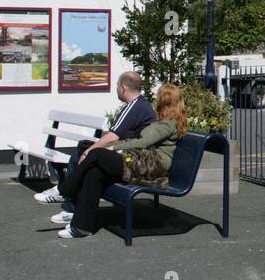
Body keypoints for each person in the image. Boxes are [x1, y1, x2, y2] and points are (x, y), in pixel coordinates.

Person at [52, 83, 187, 240]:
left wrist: (113, 148)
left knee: (97, 154)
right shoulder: (163, 121)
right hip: (140, 160)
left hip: (151, 165)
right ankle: (82, 227)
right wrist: (115, 146)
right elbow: (138, 140)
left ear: (163, 101)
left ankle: (63, 191)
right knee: (95, 172)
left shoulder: (167, 124)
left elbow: (142, 143)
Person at [33, 71, 157, 205]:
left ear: (123, 88)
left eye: (116, 85)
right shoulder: (141, 105)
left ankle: (65, 195)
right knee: (84, 150)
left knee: (87, 154)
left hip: (134, 161)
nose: (116, 89)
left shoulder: (135, 107)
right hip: (133, 156)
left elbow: (113, 136)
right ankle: (69, 203)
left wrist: (88, 152)